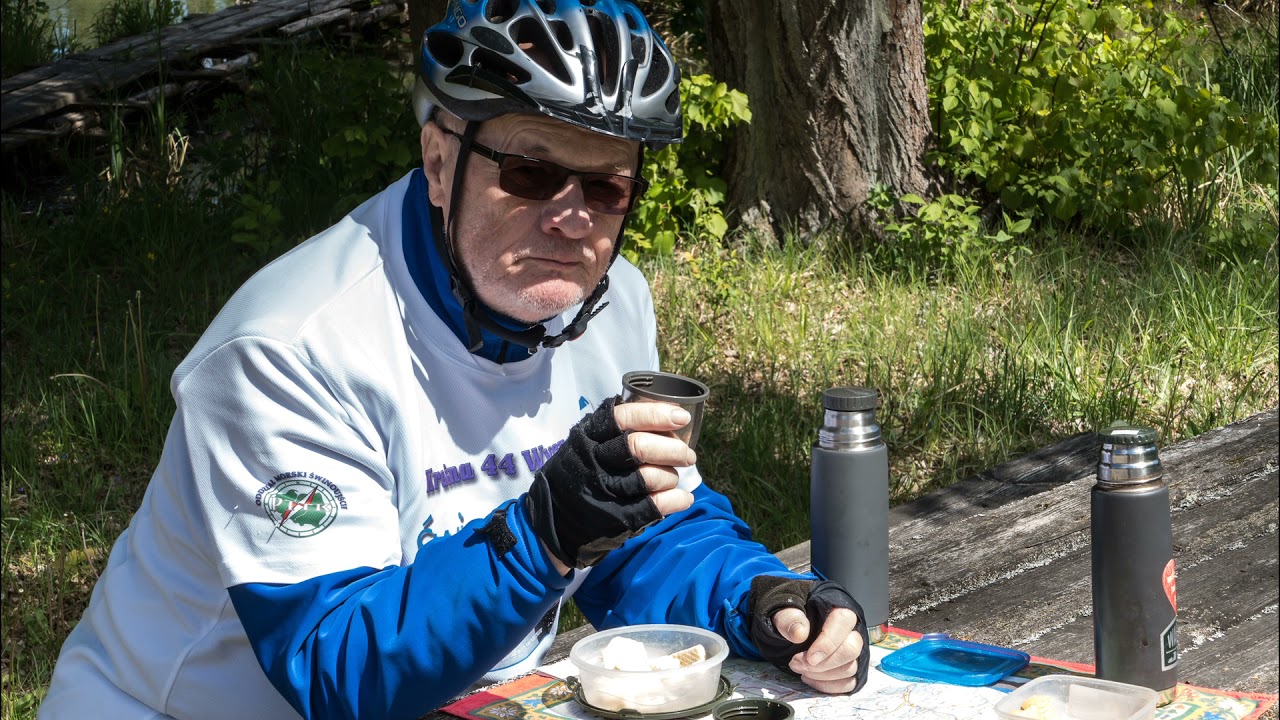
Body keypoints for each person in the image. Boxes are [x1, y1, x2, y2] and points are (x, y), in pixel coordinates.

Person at [39, 2, 870, 718]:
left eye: (608, 188)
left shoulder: (613, 303)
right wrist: (542, 535)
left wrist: (759, 599)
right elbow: (340, 669)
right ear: (441, 163)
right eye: (532, 171)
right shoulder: (289, 350)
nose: (574, 221)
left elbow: (636, 536)